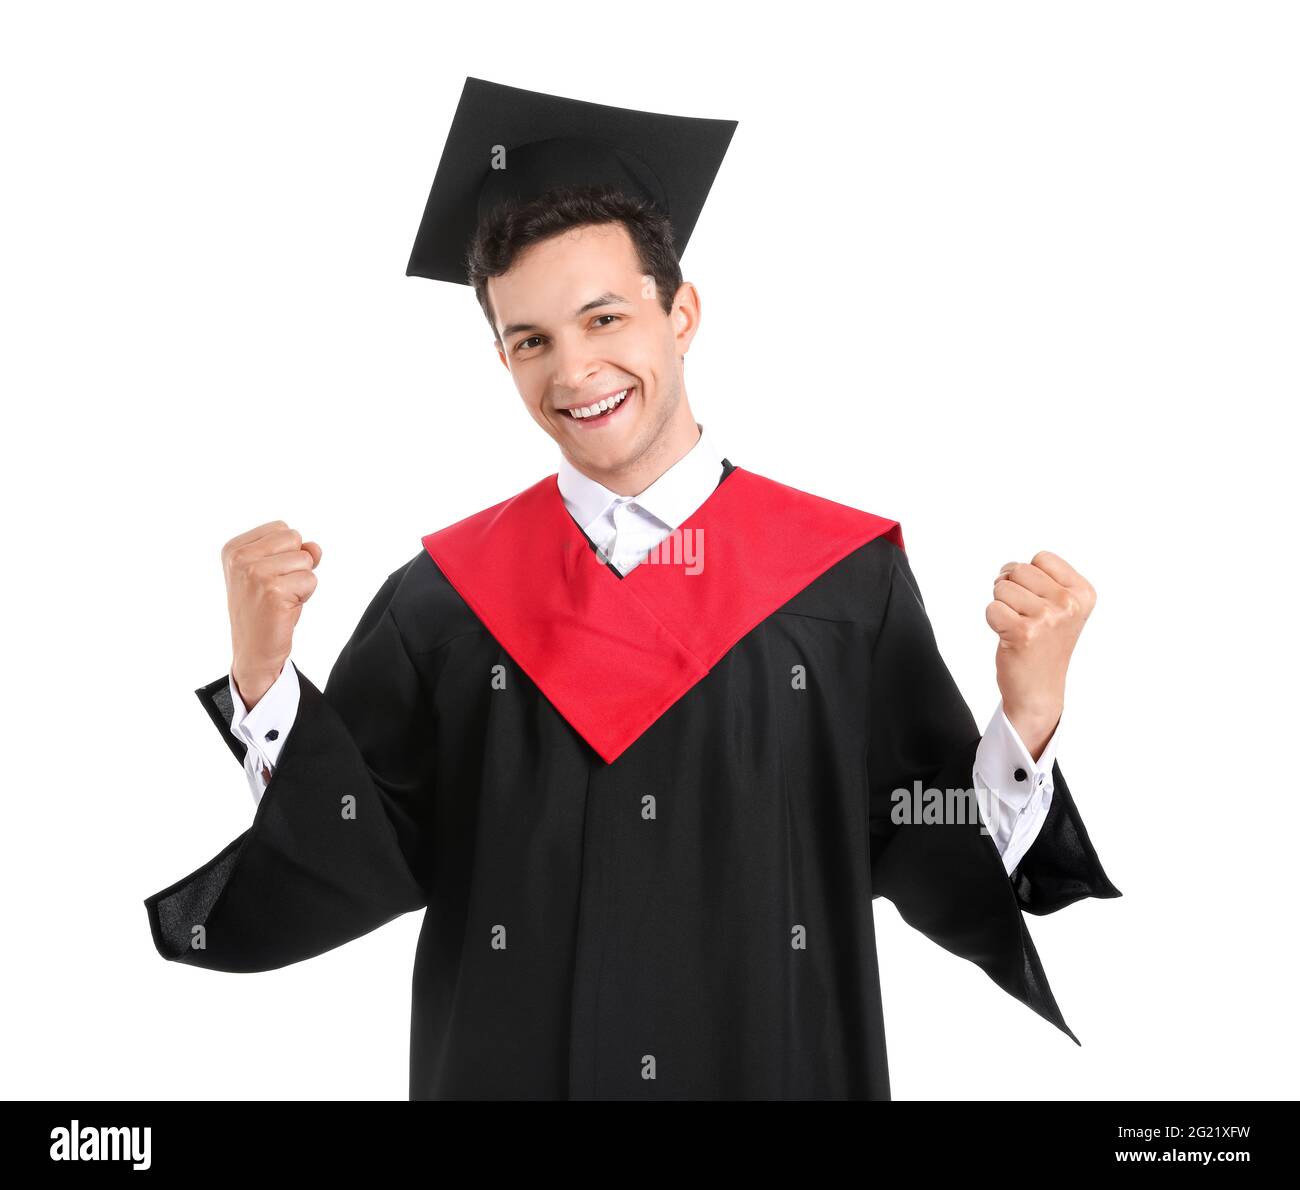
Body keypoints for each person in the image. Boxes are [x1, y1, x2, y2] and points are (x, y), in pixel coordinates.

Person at [144, 77, 1120, 1100]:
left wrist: (1029, 716)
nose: (575, 370)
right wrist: (262, 677)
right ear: (502, 356)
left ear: (681, 312)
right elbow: (357, 851)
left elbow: (916, 838)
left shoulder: (840, 580)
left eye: (603, 316)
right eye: (531, 340)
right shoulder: (442, 600)